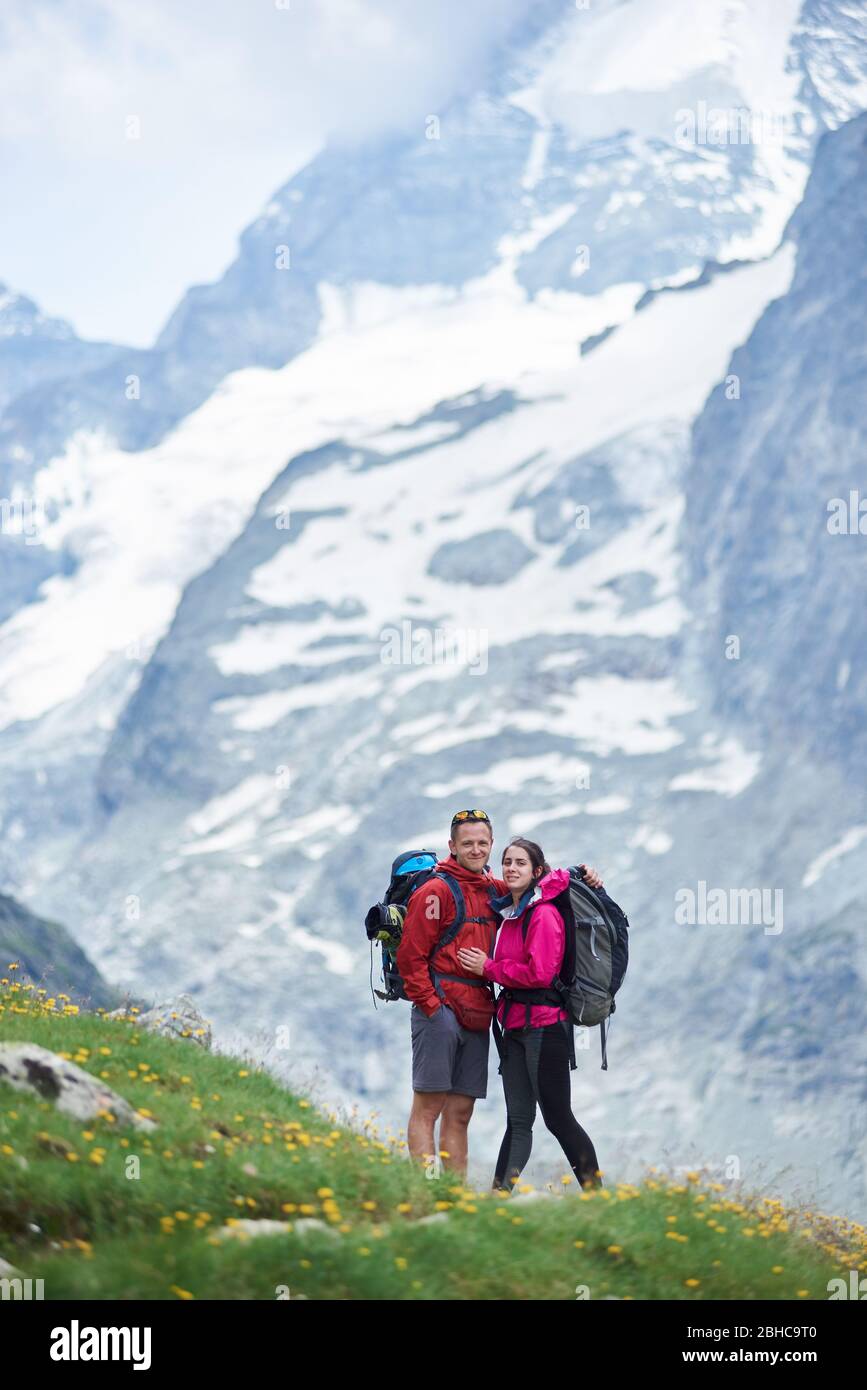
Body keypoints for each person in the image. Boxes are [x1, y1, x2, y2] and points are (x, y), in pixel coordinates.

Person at [396, 810, 602, 1178]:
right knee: (428, 1109)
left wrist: (580, 874)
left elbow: (539, 883)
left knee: (460, 1114)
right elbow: (410, 959)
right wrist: (432, 1008)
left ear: (490, 845)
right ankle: (428, 1191)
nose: (476, 850)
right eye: (467, 843)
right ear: (452, 847)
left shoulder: (494, 889)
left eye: (482, 843)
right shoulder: (435, 891)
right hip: (441, 1011)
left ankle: (454, 1200)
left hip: (479, 1015)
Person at [457, 836, 603, 1191]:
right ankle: (498, 1198)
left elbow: (540, 974)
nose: (511, 868)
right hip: (515, 1028)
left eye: (520, 863)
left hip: (545, 1027)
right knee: (518, 1120)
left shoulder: (544, 914)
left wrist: (488, 969)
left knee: (558, 1118)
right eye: (507, 862)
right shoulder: (511, 912)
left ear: (537, 871)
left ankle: (598, 1197)